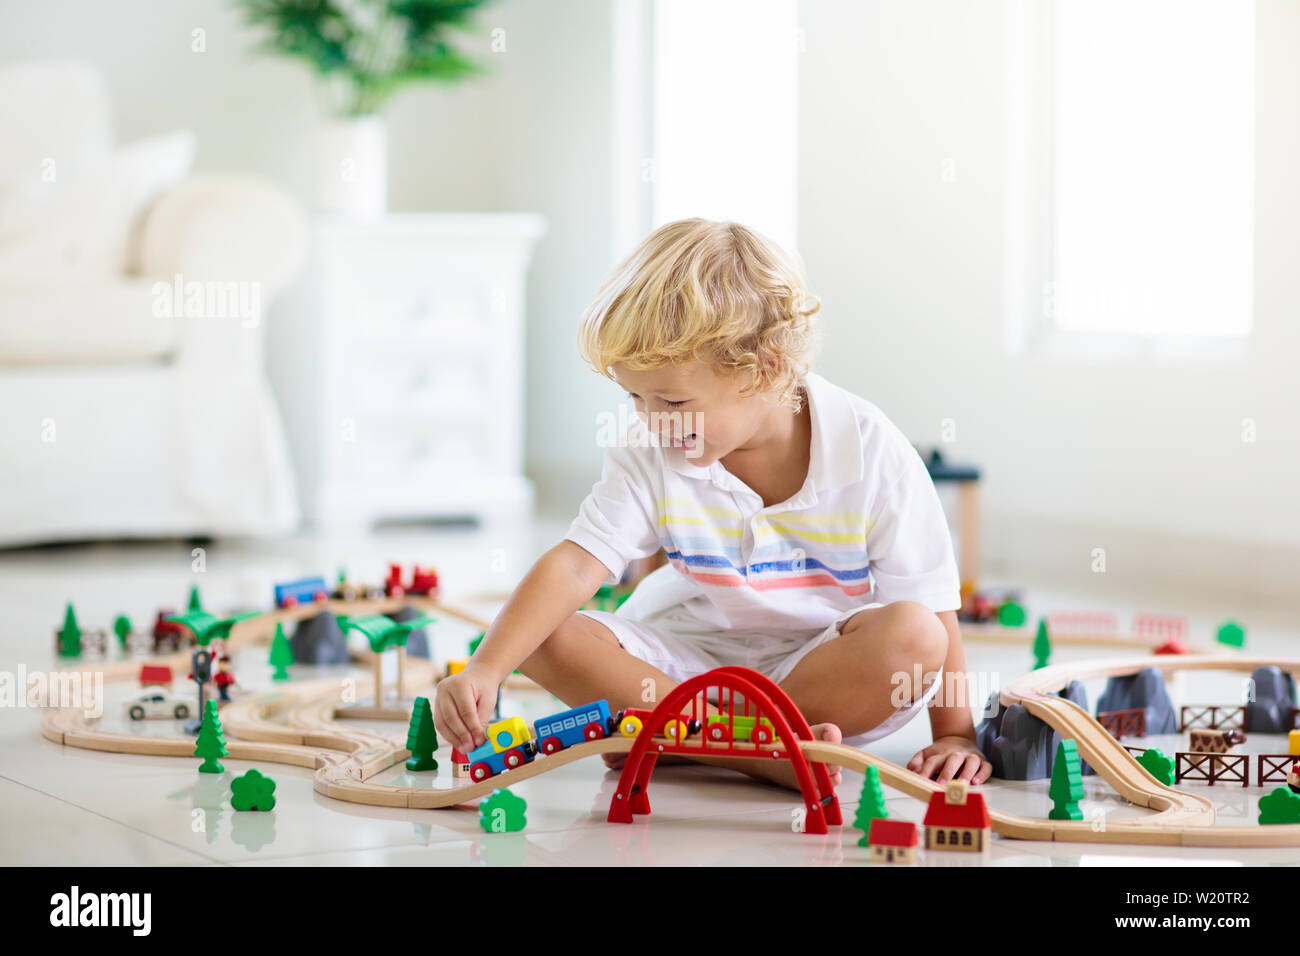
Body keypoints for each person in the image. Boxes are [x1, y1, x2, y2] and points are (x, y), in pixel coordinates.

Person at [434, 218, 991, 789]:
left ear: (766, 370)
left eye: (672, 402)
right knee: (540, 632)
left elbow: (933, 604)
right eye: (635, 397)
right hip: (682, 669)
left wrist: (955, 734)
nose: (653, 421)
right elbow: (577, 564)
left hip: (814, 674)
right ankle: (758, 752)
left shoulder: (871, 448)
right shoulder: (651, 446)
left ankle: (684, 740)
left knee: (916, 635)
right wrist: (486, 668)